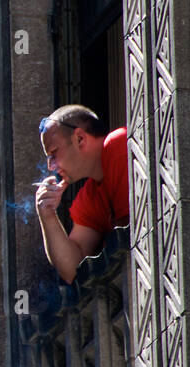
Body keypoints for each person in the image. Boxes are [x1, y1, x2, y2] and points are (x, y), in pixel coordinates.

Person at [34, 105, 128, 283]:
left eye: (53, 153)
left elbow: (133, 239)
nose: (51, 167)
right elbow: (72, 271)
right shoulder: (89, 197)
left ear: (79, 138)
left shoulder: (117, 144)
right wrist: (47, 215)